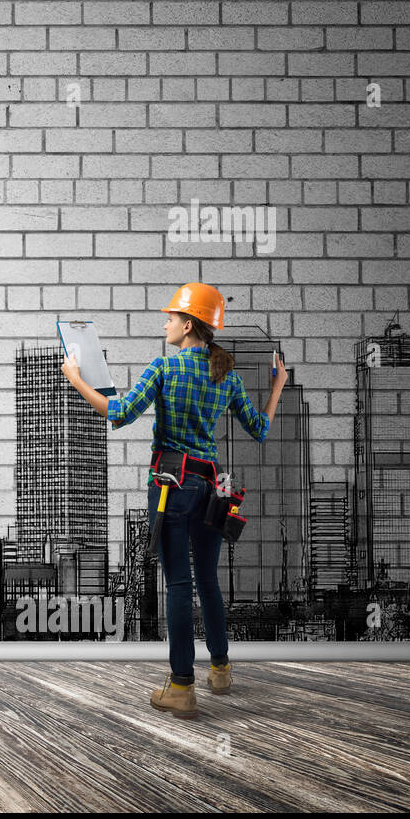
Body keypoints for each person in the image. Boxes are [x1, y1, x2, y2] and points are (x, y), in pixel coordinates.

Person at [60, 282, 288, 719]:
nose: (165, 323)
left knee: (179, 585)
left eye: (170, 318)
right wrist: (278, 385)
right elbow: (259, 428)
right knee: (208, 582)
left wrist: (75, 379)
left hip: (171, 484)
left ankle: (182, 686)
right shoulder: (228, 376)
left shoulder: (164, 368)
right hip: (214, 489)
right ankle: (220, 669)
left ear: (187, 325)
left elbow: (119, 413)